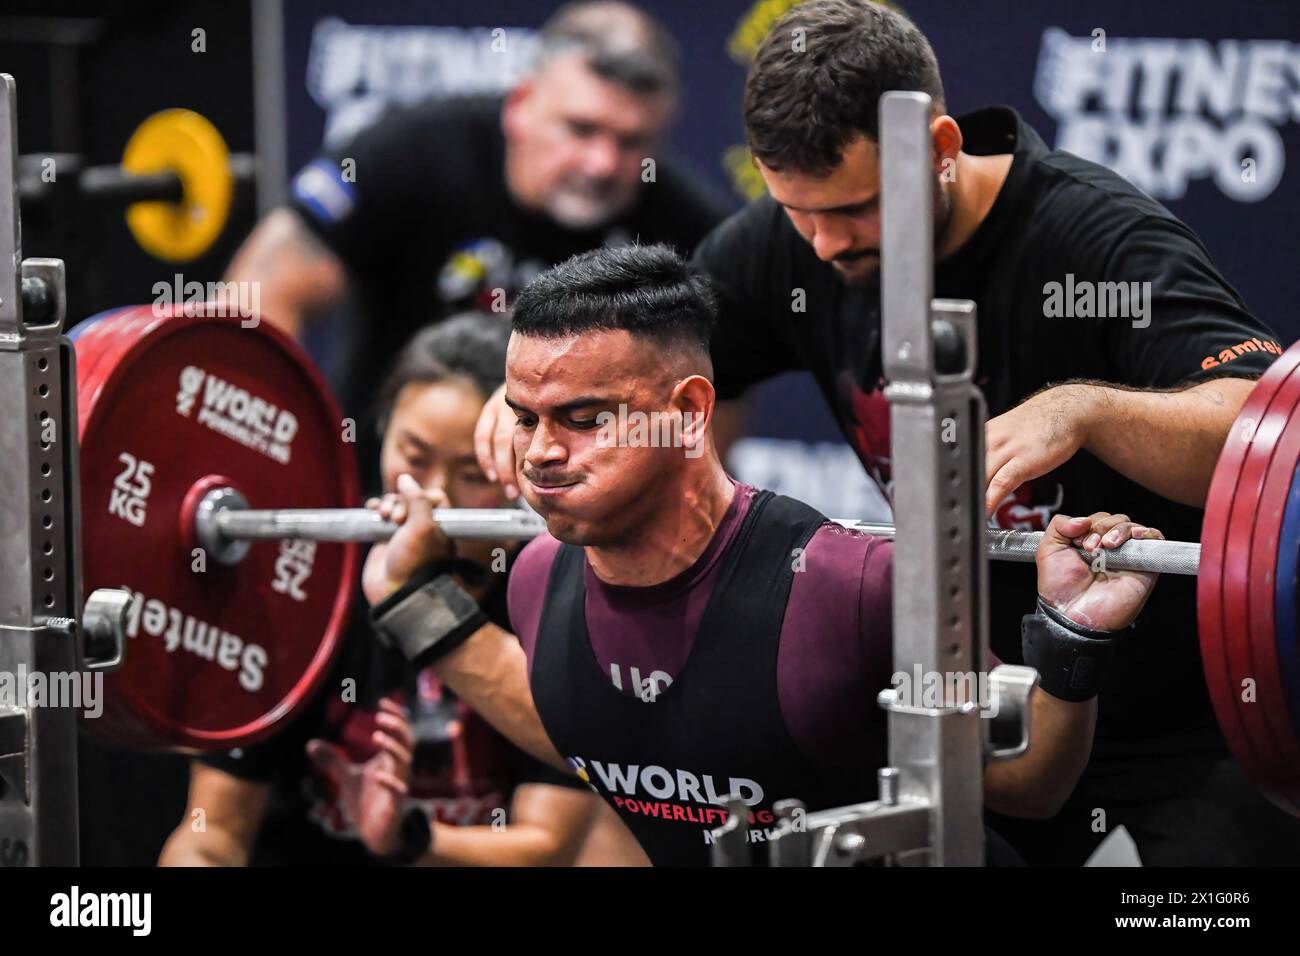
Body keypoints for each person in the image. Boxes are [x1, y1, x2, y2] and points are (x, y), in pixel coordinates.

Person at [474, 0, 1300, 865]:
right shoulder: (788, 242)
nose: (827, 244)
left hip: (1182, 724)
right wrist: (536, 398)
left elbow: (1264, 434)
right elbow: (642, 366)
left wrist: (1081, 410)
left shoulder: (1094, 235)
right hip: (968, 714)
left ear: (941, 151)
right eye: (798, 210)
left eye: (858, 210)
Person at [357, 244, 1161, 867]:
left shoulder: (847, 590)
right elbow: (602, 731)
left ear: (687, 413)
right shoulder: (536, 581)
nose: (540, 453)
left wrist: (1073, 636)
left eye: (583, 418)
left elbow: (1031, 785)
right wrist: (410, 600)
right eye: (525, 418)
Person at [226, 0, 729, 492]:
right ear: (520, 106)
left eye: (631, 142)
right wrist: (277, 455)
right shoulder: (413, 154)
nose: (602, 163)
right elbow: (263, 293)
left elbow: (714, 408)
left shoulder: (686, 231)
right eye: (581, 129)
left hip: (569, 530)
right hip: (381, 495)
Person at [159, 314, 600, 867]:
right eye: (412, 458)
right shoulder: (298, 593)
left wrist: (410, 838)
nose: (430, 495)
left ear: (520, 466)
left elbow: (549, 846)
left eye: (472, 473)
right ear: (381, 432)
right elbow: (209, 836)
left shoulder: (560, 602)